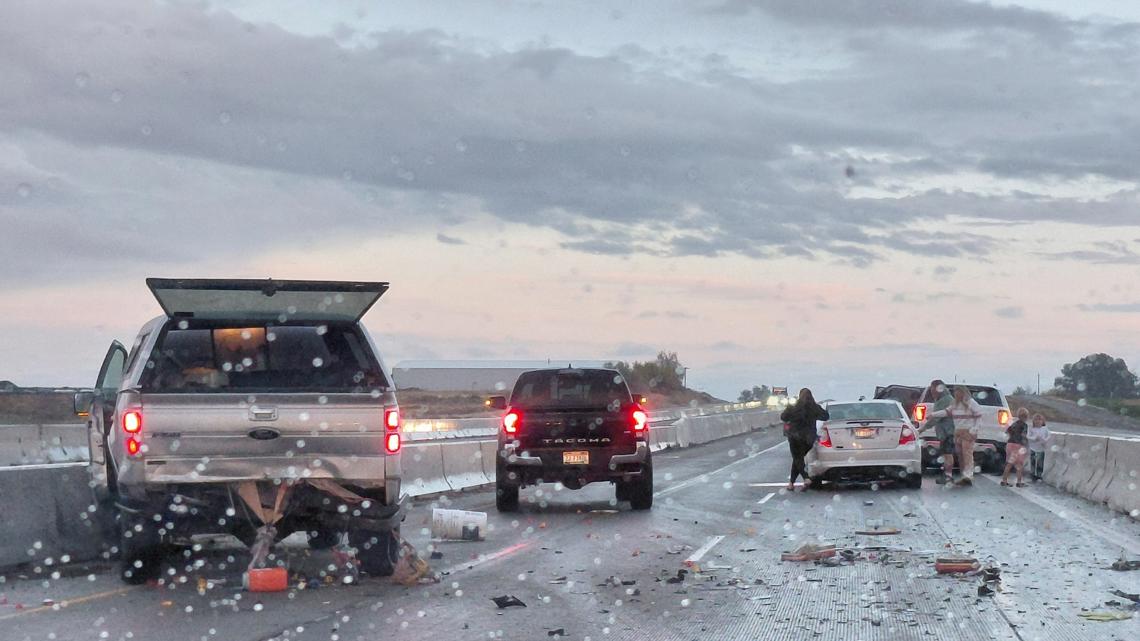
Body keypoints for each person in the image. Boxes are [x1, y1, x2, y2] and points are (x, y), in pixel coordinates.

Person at [780, 388, 829, 492]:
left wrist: (789, 408)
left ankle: (806, 478)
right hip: (808, 439)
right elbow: (826, 416)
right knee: (798, 459)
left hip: (795, 437)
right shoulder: (814, 407)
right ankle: (791, 484)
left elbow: (783, 417)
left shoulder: (794, 407)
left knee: (797, 458)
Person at [944, 386, 983, 486]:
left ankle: (968, 475)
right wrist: (933, 415)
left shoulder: (971, 403)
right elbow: (946, 412)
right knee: (960, 454)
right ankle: (963, 476)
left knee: (967, 454)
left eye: (958, 392)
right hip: (958, 431)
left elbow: (979, 416)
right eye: (955, 392)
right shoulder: (955, 404)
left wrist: (974, 430)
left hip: (968, 431)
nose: (956, 394)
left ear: (963, 393)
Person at [921, 380, 957, 485]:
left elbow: (935, 418)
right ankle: (947, 475)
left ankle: (948, 476)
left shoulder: (944, 401)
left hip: (948, 432)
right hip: (947, 432)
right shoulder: (945, 399)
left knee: (948, 454)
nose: (932, 392)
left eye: (933, 390)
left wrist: (922, 429)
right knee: (947, 454)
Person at [1002, 408, 1030, 487]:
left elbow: (1007, 431)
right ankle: (1019, 482)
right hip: (1018, 445)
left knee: (1009, 463)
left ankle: (1004, 480)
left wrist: (1013, 436)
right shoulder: (1024, 425)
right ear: (1026, 417)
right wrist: (1026, 445)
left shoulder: (1014, 424)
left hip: (1010, 444)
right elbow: (1023, 436)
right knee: (1019, 464)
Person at [1027, 413, 1051, 482]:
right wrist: (1034, 438)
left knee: (1040, 463)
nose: (1038, 421)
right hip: (1033, 448)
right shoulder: (1031, 429)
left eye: (1039, 420)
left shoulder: (1045, 429)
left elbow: (1049, 435)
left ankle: (1039, 475)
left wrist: (1044, 440)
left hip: (1041, 449)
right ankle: (1032, 474)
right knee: (1033, 462)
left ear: (1043, 421)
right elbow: (1028, 436)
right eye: (1036, 420)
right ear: (1033, 421)